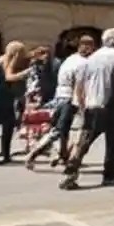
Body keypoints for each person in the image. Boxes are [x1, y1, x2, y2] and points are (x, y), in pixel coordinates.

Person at [60, 28, 114, 190]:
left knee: (85, 139)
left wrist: (81, 103)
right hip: (111, 105)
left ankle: (71, 169)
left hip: (91, 105)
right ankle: (111, 174)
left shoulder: (91, 58)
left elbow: (79, 83)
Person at [25, 34, 94, 169]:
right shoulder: (83, 63)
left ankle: (63, 155)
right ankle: (34, 153)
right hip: (70, 98)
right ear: (87, 47)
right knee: (60, 129)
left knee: (63, 130)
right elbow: (79, 85)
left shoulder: (70, 59)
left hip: (60, 96)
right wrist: (81, 105)